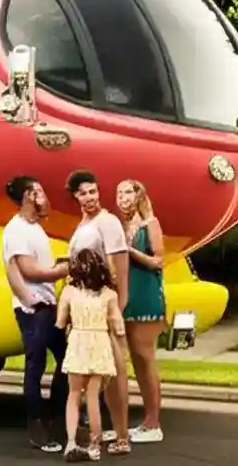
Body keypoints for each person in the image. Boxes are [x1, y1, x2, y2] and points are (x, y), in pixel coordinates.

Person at [65, 169, 131, 456]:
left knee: (113, 372)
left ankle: (122, 435)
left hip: (104, 305)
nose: (90, 197)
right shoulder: (83, 225)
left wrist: (119, 305)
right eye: (83, 193)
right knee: (98, 376)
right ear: (75, 196)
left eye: (93, 191)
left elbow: (120, 266)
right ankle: (105, 431)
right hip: (85, 308)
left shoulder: (108, 222)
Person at [2, 175, 71, 453]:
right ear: (29, 195)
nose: (45, 197)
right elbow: (28, 270)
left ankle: (57, 416)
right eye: (40, 191)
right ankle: (37, 425)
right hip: (33, 309)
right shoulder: (16, 230)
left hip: (47, 305)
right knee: (36, 365)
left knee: (67, 358)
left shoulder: (35, 227)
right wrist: (63, 270)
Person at [56, 248, 125, 462]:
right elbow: (118, 326)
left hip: (78, 340)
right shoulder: (109, 295)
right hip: (100, 342)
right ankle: (95, 444)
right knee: (93, 396)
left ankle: (71, 442)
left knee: (73, 394)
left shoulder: (69, 292)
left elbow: (60, 322)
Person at [116, 179, 167, 444]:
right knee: (134, 359)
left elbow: (158, 261)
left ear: (138, 196)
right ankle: (145, 421)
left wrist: (130, 251)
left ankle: (154, 422)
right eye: (119, 192)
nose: (122, 197)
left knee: (146, 358)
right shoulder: (120, 227)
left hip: (146, 296)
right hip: (127, 297)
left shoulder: (150, 224)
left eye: (127, 191)